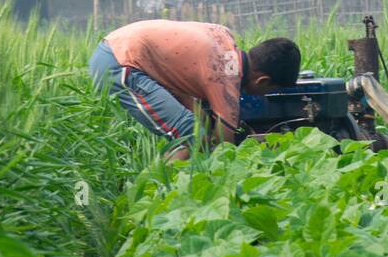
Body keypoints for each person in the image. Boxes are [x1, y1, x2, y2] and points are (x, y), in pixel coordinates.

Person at [88, 19, 300, 160]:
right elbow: (223, 150)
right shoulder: (225, 79)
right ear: (262, 81)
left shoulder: (224, 38)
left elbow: (198, 109)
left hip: (117, 48)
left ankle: (168, 185)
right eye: (270, 90)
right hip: (119, 63)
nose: (265, 95)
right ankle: (158, 194)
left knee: (198, 131)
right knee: (191, 135)